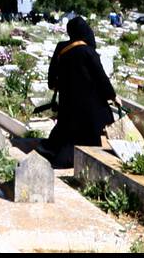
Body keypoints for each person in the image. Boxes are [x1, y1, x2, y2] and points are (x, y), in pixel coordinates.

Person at [43, 16, 117, 168]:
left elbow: (52, 78)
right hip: (89, 104)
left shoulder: (61, 48)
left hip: (68, 101)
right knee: (103, 120)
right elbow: (101, 77)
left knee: (67, 133)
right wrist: (112, 96)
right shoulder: (88, 51)